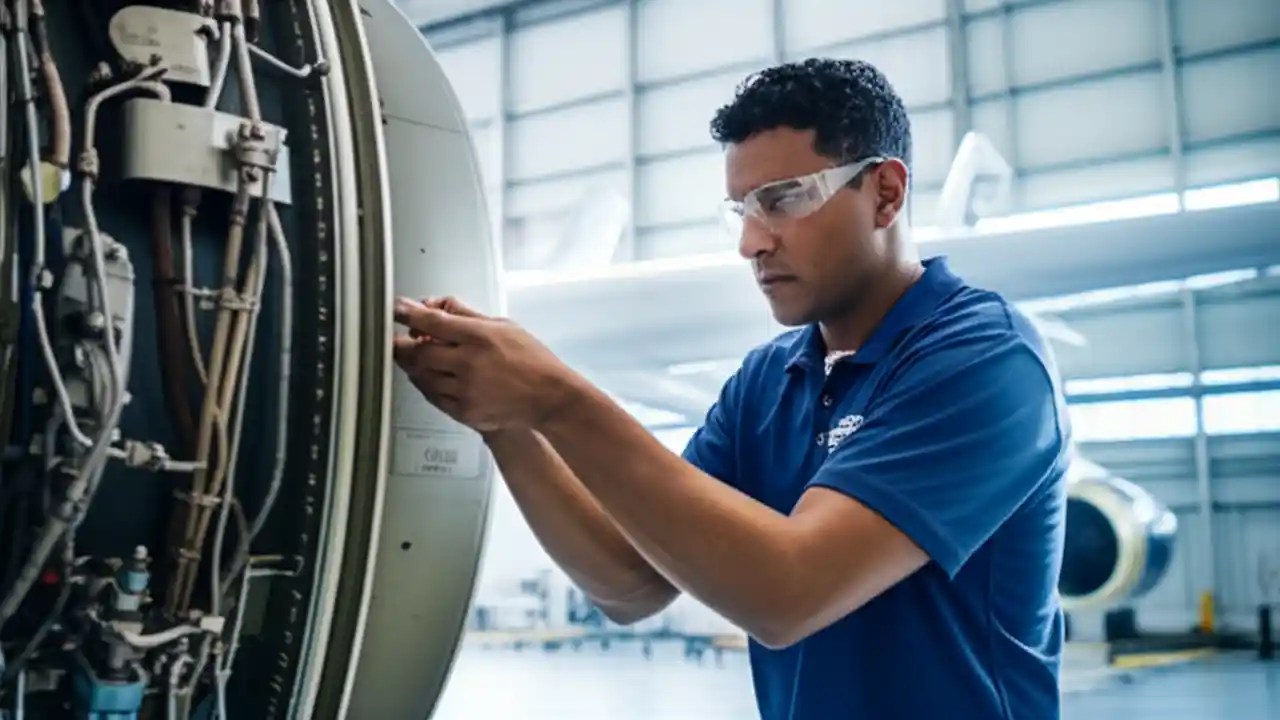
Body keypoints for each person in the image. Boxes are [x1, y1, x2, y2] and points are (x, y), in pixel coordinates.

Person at [392, 58, 1070, 720]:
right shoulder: (769, 380)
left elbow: (789, 593)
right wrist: (506, 424)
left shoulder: (984, 360)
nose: (751, 241)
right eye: (741, 209)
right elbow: (630, 585)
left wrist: (557, 399)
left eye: (783, 200)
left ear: (886, 193)